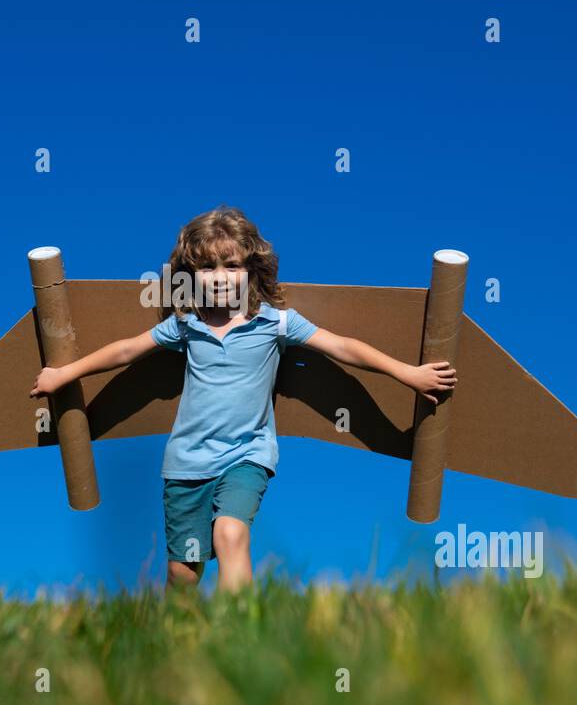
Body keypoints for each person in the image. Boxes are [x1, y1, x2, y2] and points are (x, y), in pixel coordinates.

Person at [30, 206, 455, 595]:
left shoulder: (275, 323)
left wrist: (408, 373)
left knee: (230, 533)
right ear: (189, 277)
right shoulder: (186, 327)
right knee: (183, 574)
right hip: (185, 464)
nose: (219, 276)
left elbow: (343, 347)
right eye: (207, 267)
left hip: (246, 455)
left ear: (251, 270)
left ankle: (243, 632)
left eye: (231, 265)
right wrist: (64, 373)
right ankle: (178, 646)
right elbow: (125, 351)